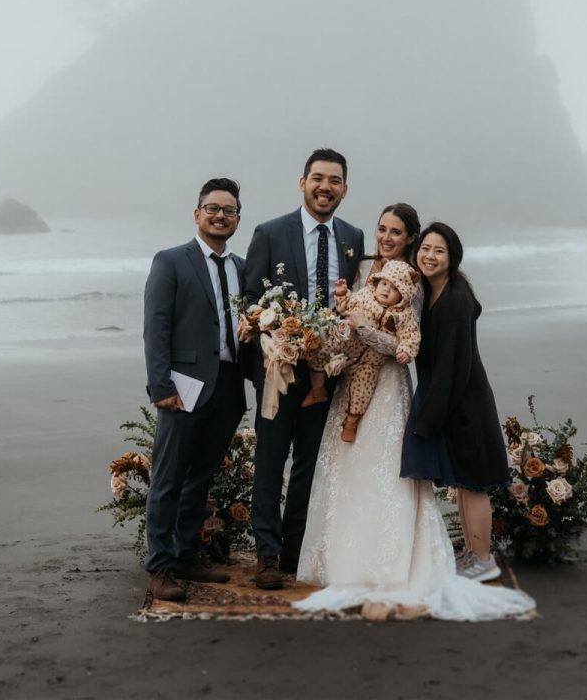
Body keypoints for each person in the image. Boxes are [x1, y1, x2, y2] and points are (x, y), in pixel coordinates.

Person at [294, 207, 534, 621]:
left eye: (397, 232)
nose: (387, 237)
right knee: (349, 466)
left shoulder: (417, 282)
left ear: (411, 238)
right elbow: (346, 315)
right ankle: (344, 557)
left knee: (391, 471)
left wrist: (364, 330)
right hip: (354, 381)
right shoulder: (366, 268)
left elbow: (407, 344)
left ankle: (413, 558)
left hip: (393, 386)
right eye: (382, 229)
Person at [239, 148, 365, 589]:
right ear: (302, 183)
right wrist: (274, 333)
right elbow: (250, 298)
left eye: (334, 180)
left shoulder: (352, 237)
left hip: (328, 373)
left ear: (344, 189)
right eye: (318, 178)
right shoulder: (271, 232)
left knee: (310, 462)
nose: (325, 187)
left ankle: (295, 548)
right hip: (280, 371)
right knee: (271, 460)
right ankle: (266, 555)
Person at [140, 178, 249, 602]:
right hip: (183, 386)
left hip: (229, 385)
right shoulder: (171, 261)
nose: (220, 215)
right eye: (213, 208)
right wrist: (161, 385)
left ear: (238, 219)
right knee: (168, 478)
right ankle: (160, 567)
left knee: (201, 477)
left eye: (229, 210)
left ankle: (186, 555)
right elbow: (156, 326)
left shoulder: (243, 268)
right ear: (197, 213)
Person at [403, 222, 512, 583]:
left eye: (439, 251)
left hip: (467, 404)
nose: (429, 256)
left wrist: (428, 418)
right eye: (425, 249)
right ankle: (471, 553)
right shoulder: (431, 291)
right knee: (463, 482)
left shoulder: (455, 299)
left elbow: (453, 366)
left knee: (474, 484)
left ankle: (483, 558)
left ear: (452, 257)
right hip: (454, 401)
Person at [302, 258, 421, 443]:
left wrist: (406, 350)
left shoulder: (404, 315)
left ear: (404, 295)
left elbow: (411, 336)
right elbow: (346, 306)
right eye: (384, 284)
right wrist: (342, 294)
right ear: (377, 282)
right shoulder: (366, 295)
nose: (387, 290)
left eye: (395, 289)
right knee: (321, 350)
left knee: (363, 388)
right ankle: (318, 389)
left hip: (371, 361)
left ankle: (351, 423)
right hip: (346, 344)